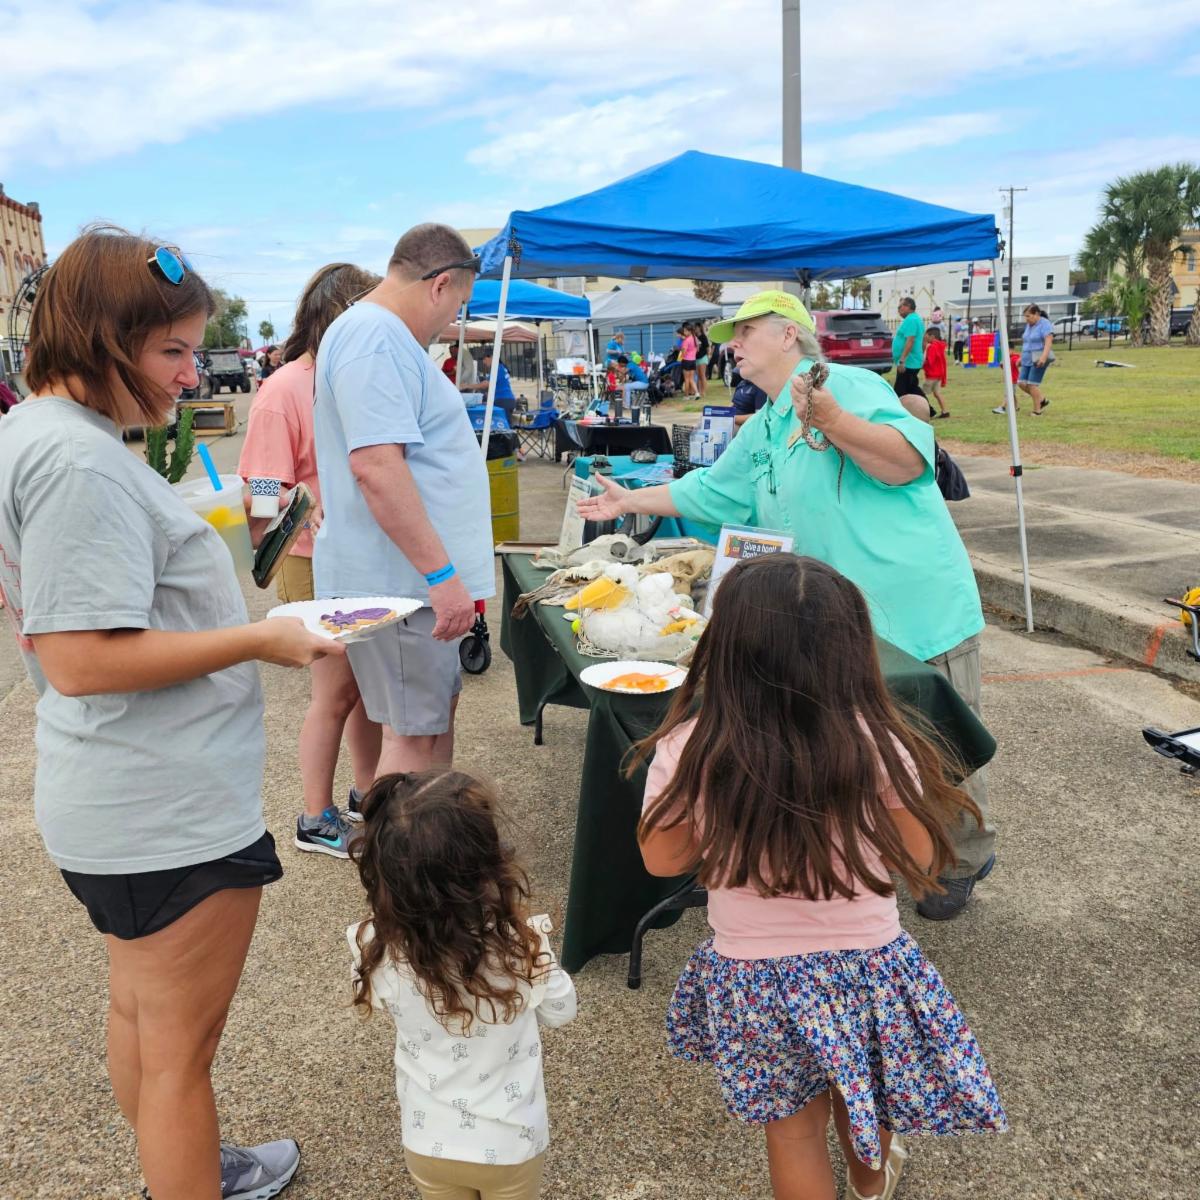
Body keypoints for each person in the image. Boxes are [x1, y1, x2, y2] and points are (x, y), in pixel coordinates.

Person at [0, 226, 341, 1200]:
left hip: (113, 798)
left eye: (195, 350)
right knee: (179, 1057)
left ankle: (181, 1161)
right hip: (163, 810)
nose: (193, 377)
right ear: (102, 338)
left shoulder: (41, 434)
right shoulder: (77, 462)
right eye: (172, 352)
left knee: (146, 1025)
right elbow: (80, 659)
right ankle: (186, 1169)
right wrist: (260, 639)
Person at [578, 290, 996, 920]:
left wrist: (831, 419)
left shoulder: (843, 385)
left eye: (745, 332)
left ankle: (962, 856)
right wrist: (630, 502)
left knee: (932, 740)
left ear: (790, 337)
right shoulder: (770, 420)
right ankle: (860, 845)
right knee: (850, 737)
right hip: (833, 618)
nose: (733, 345)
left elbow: (909, 461)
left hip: (912, 604)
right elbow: (715, 490)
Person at [635, 554, 1007, 1200]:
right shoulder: (880, 741)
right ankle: (871, 1185)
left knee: (793, 1136)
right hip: (867, 966)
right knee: (869, 1101)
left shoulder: (690, 747)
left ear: (722, 651)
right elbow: (920, 861)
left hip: (752, 975)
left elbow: (662, 861)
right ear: (852, 653)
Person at [313, 223, 493, 779]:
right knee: (410, 739)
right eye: (457, 304)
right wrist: (442, 576)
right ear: (439, 285)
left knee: (424, 728)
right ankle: (400, 861)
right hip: (403, 583)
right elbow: (376, 467)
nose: (452, 321)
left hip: (411, 582)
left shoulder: (379, 338)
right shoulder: (376, 337)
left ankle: (427, 854)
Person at [348, 770, 577, 1200]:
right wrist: (540, 952)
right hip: (511, 1142)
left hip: (426, 1137)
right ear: (488, 864)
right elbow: (562, 1011)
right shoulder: (518, 946)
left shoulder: (374, 944)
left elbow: (380, 999)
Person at [238, 262, 383, 858]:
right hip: (309, 560)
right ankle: (315, 817)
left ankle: (369, 796)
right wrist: (298, 503)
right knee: (336, 693)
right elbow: (260, 490)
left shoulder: (343, 376)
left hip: (356, 558)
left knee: (365, 689)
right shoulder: (284, 389)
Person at [1017, 303, 1054, 416]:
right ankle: (1041, 399)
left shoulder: (1045, 324)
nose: (1026, 319)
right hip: (1027, 357)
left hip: (1038, 357)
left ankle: (1037, 410)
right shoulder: (1029, 325)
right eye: (1025, 316)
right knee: (1021, 383)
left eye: (1028, 316)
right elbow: (1027, 342)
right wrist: (1021, 358)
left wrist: (1043, 357)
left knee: (1032, 384)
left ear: (1036, 314)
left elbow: (1048, 341)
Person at [891, 298, 925, 396]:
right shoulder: (915, 319)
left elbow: (910, 340)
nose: (898, 309)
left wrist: (902, 360)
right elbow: (923, 341)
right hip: (911, 361)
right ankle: (929, 410)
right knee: (912, 388)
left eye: (900, 306)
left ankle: (929, 410)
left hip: (908, 362)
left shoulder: (911, 319)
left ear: (908, 306)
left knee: (900, 392)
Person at [922, 327, 949, 418]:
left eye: (926, 336)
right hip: (938, 374)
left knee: (921, 394)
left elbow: (930, 361)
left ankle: (924, 411)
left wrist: (921, 364)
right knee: (937, 393)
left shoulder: (932, 347)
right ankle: (945, 411)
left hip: (932, 375)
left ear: (932, 336)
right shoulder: (939, 345)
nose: (925, 338)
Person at [679, 324, 698, 396]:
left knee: (686, 379)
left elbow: (683, 352)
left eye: (685, 331)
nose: (684, 332)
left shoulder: (686, 340)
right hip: (693, 360)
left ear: (689, 331)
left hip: (686, 361)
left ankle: (686, 395)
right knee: (691, 379)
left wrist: (681, 356)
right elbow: (697, 349)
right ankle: (697, 393)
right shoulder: (695, 338)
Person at [693, 322, 710, 397]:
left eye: (697, 327)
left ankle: (704, 391)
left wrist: (709, 355)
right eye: (695, 328)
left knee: (702, 375)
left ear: (700, 328)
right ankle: (699, 391)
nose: (695, 329)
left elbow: (708, 347)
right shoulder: (694, 337)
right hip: (696, 358)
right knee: (698, 375)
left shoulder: (703, 337)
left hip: (703, 357)